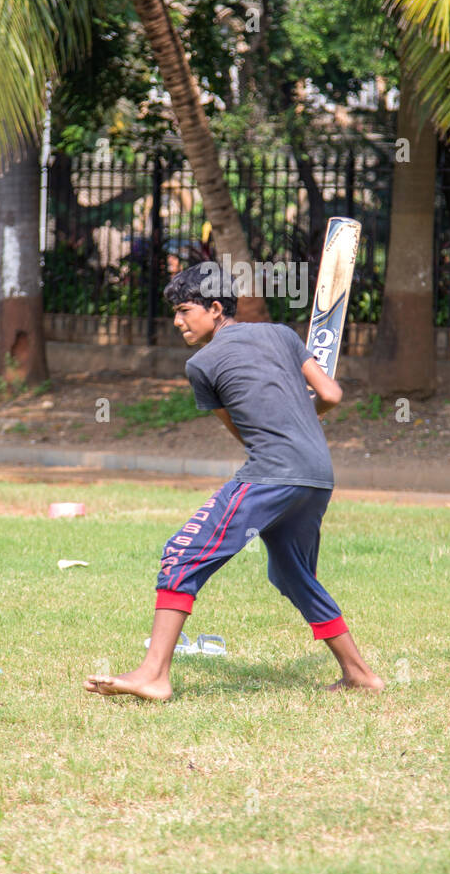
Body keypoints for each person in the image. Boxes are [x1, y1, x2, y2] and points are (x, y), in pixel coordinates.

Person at [84, 261, 385, 702]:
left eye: (185, 310)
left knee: (182, 553)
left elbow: (245, 435)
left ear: (217, 307)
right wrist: (298, 413)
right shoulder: (282, 334)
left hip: (272, 473)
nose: (177, 321)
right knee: (292, 575)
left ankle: (154, 675)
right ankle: (360, 675)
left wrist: (282, 419)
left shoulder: (202, 364)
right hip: (317, 475)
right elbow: (332, 395)